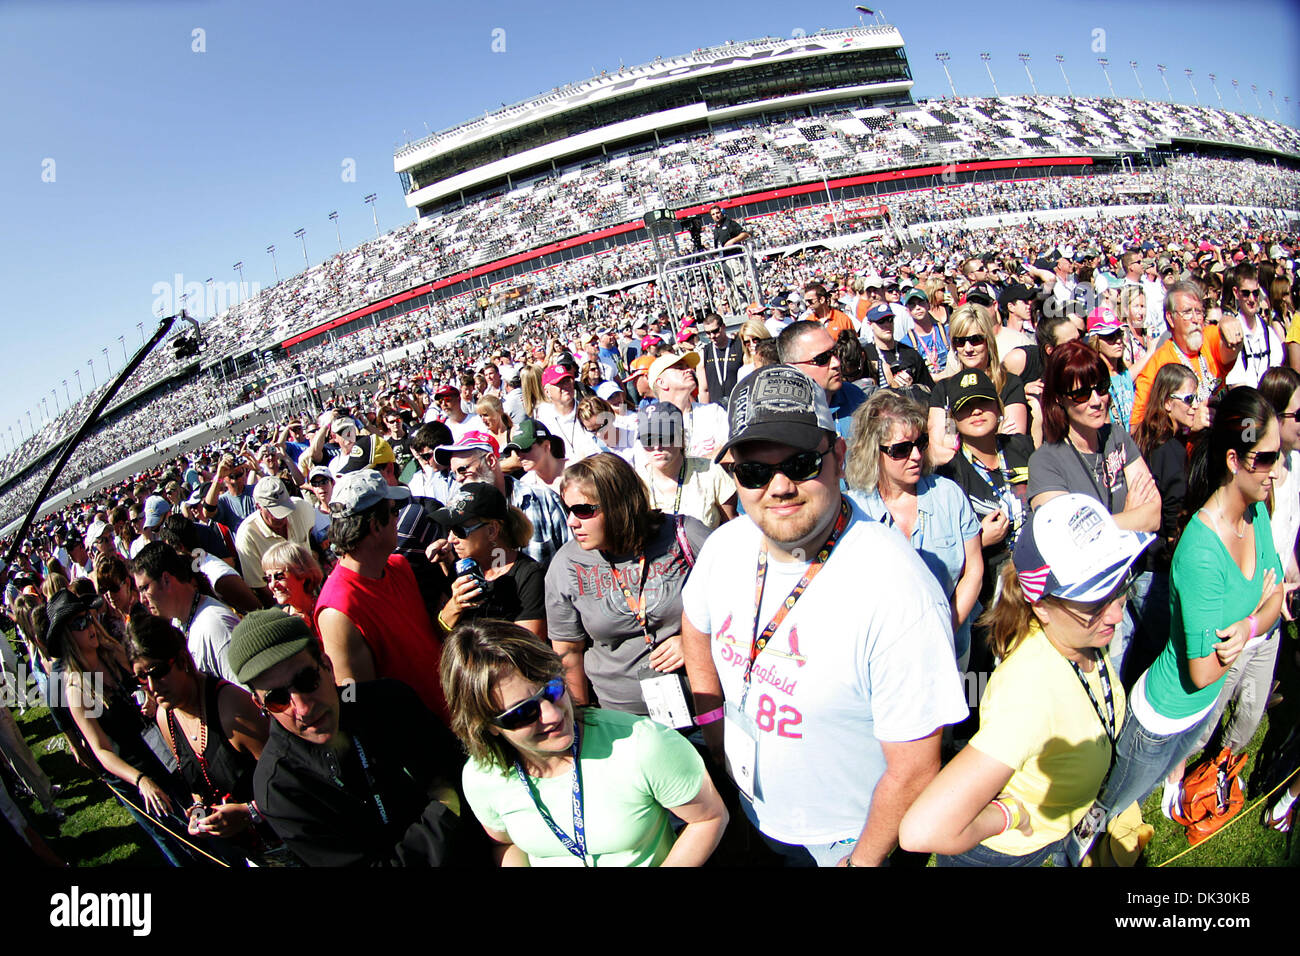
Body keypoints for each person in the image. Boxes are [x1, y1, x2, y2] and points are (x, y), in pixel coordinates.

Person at [681, 364, 967, 866]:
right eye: (753, 471)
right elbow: (695, 625)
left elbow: (916, 766)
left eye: (800, 464)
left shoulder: (898, 589)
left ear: (837, 456)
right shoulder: (725, 546)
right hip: (755, 814)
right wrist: (713, 728)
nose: (779, 486)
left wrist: (864, 859)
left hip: (849, 838)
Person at [899, 494, 1150, 866]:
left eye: (1118, 586)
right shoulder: (1029, 692)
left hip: (1056, 833)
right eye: (1094, 600)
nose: (1115, 613)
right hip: (1004, 856)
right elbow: (923, 829)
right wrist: (1009, 816)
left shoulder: (1079, 637)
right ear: (1043, 606)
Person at [1097, 386, 1284, 828]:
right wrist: (1256, 615)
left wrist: (1250, 625)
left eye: (1277, 456)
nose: (1275, 471)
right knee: (1105, 815)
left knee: (1132, 812)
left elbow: (1276, 596)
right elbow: (1201, 668)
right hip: (1159, 722)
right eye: (1265, 458)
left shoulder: (1255, 513)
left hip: (1197, 711)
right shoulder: (1202, 551)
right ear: (1233, 461)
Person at [441, 620, 728, 866]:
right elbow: (506, 844)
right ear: (487, 725)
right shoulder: (482, 776)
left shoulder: (644, 744)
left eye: (552, 689)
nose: (552, 714)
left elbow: (709, 818)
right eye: (523, 712)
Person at [228, 609, 480, 867]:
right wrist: (443, 812)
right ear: (259, 704)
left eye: (306, 680)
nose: (302, 708)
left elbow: (468, 776)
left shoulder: (388, 700)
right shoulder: (279, 787)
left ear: (326, 665)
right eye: (277, 700)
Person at [546, 453, 710, 718]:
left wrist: (693, 641)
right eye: (568, 510)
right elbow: (567, 650)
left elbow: (740, 605)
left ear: (618, 504)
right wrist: (582, 719)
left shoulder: (685, 535)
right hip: (622, 723)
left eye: (584, 510)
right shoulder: (566, 564)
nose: (571, 522)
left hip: (701, 708)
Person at [46, 590, 192, 865]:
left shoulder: (113, 652)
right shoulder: (76, 689)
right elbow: (100, 749)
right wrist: (140, 780)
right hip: (130, 771)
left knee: (194, 813)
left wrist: (151, 700)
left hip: (161, 748)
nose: (89, 625)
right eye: (79, 623)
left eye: (88, 617)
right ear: (67, 637)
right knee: (173, 838)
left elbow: (148, 685)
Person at [846, 391, 982, 664]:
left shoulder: (949, 494)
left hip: (951, 650)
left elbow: (974, 571)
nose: (917, 455)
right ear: (874, 451)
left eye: (920, 443)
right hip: (885, 659)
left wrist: (946, 626)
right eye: (901, 450)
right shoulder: (853, 511)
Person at [125, 610, 273, 859]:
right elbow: (198, 784)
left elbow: (293, 779)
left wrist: (251, 812)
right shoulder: (166, 718)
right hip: (248, 853)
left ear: (182, 660)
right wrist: (198, 810)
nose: (151, 686)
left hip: (286, 839)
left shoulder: (231, 709)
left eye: (157, 671)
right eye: (141, 676)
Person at [316, 469, 448, 720]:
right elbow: (352, 696)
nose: (398, 519)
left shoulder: (399, 565)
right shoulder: (338, 611)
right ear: (376, 526)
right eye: (394, 511)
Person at [1125, 363, 1198, 685]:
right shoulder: (1170, 450)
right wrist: (1173, 544)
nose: (1196, 406)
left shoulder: (1142, 437)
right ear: (1168, 402)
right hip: (1158, 569)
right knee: (1155, 660)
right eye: (1190, 398)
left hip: (1138, 560)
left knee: (1137, 652)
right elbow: (1172, 507)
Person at [430, 482, 546, 638]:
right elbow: (437, 633)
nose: (451, 539)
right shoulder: (460, 570)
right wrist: (456, 605)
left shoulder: (529, 575)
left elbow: (528, 646)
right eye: (449, 530)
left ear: (492, 530)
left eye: (459, 531)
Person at [1130, 280, 1244, 427]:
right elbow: (1136, 429)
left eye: (1199, 312)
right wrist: (1189, 423)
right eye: (1187, 312)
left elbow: (1230, 346)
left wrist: (1228, 322)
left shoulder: (1208, 338)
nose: (1196, 320)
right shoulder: (1158, 365)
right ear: (1171, 318)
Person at [131, 542, 245, 688]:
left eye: (144, 588)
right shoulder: (179, 622)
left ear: (166, 579)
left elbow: (249, 696)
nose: (142, 600)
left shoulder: (215, 626)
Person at [635, 401, 737, 529]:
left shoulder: (710, 472)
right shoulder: (635, 483)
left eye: (664, 437)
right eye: (648, 439)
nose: (656, 446)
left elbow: (732, 526)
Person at [776, 320, 868, 442]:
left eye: (835, 352)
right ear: (792, 369)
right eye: (822, 358)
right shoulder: (782, 418)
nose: (836, 363)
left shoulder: (855, 397)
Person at [1086, 306, 1136, 431]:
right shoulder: (1094, 380)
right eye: (1110, 336)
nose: (1118, 340)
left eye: (1119, 334)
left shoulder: (1125, 373)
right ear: (1095, 341)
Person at [260, 541, 325, 631]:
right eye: (268, 579)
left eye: (279, 577)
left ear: (302, 575)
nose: (273, 584)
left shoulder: (325, 611)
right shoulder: (280, 621)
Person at [698, 312, 743, 404]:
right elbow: (704, 389)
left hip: (738, 404)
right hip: (716, 407)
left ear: (723, 327)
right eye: (708, 333)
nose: (712, 336)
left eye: (715, 331)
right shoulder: (704, 352)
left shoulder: (739, 347)